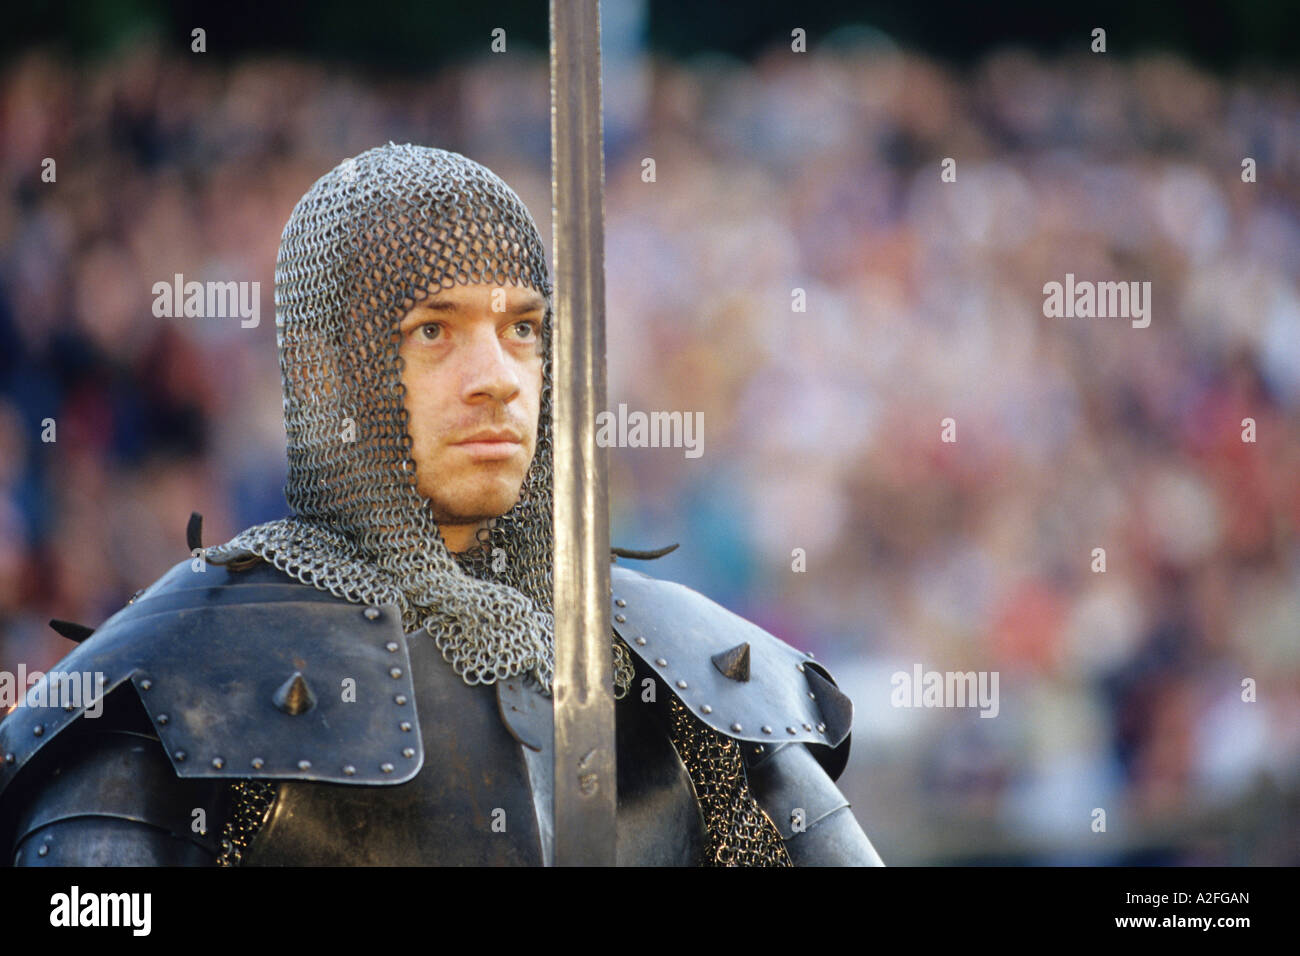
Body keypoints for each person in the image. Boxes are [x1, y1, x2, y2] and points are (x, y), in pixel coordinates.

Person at [0, 144, 884, 866]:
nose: (498, 380)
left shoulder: (692, 678)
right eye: (434, 331)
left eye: (522, 330)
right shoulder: (181, 682)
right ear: (323, 370)